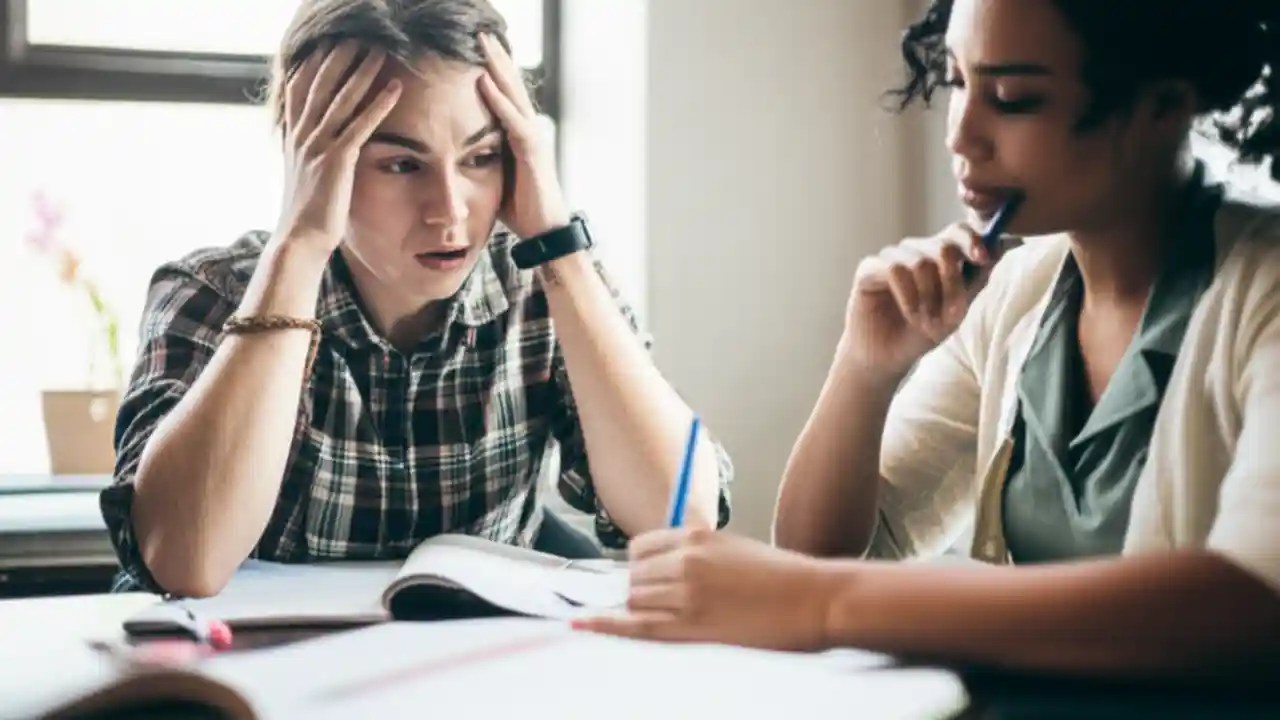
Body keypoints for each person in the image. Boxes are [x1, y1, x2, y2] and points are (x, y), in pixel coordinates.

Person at [576, 0, 1280, 679]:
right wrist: (865, 368)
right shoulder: (1017, 294)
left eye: (1011, 98)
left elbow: (1255, 600)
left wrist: (819, 605)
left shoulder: (1263, 293)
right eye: (956, 82)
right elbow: (823, 553)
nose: (960, 136)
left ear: (1163, 106)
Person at [101, 0, 731, 598]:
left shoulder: (547, 288)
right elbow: (184, 560)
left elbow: (681, 514)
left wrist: (557, 241)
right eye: (402, 165)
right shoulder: (211, 294)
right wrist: (299, 243)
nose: (450, 209)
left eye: (482, 157)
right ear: (311, 153)